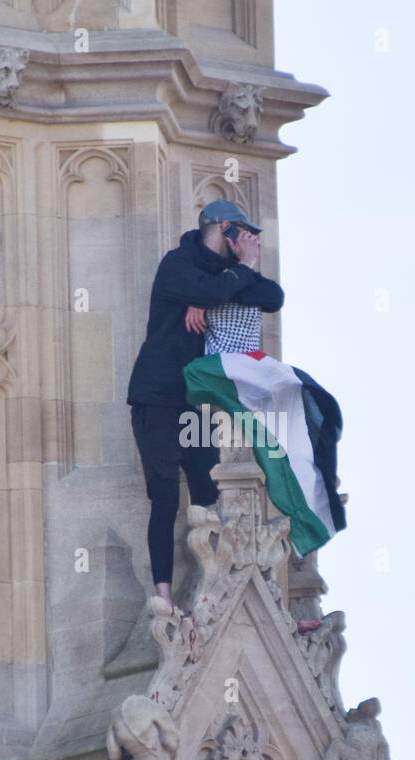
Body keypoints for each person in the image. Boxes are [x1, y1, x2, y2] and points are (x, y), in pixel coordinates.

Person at [127, 200, 284, 610]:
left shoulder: (221, 275)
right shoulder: (178, 263)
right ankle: (162, 595)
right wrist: (219, 286)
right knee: (163, 496)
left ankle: (216, 592)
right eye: (244, 234)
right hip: (157, 399)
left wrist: (215, 293)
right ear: (226, 230)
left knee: (208, 494)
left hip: (195, 407)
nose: (250, 243)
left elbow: (272, 296)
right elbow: (208, 288)